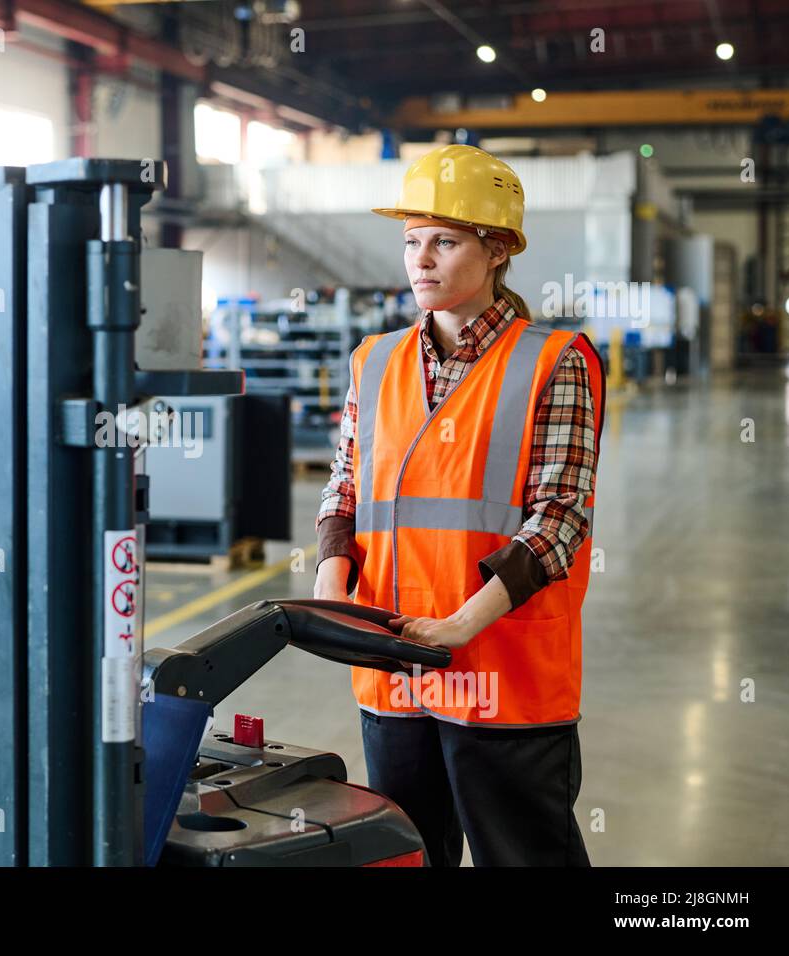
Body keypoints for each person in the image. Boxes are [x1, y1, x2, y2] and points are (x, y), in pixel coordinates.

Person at [313, 144, 606, 866]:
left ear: (499, 248)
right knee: (410, 855)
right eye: (412, 242)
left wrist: (459, 625)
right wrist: (330, 581)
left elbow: (559, 518)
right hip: (392, 666)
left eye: (445, 241)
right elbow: (345, 485)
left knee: (524, 856)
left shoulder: (555, 358)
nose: (422, 260)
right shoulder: (372, 360)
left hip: (503, 671)